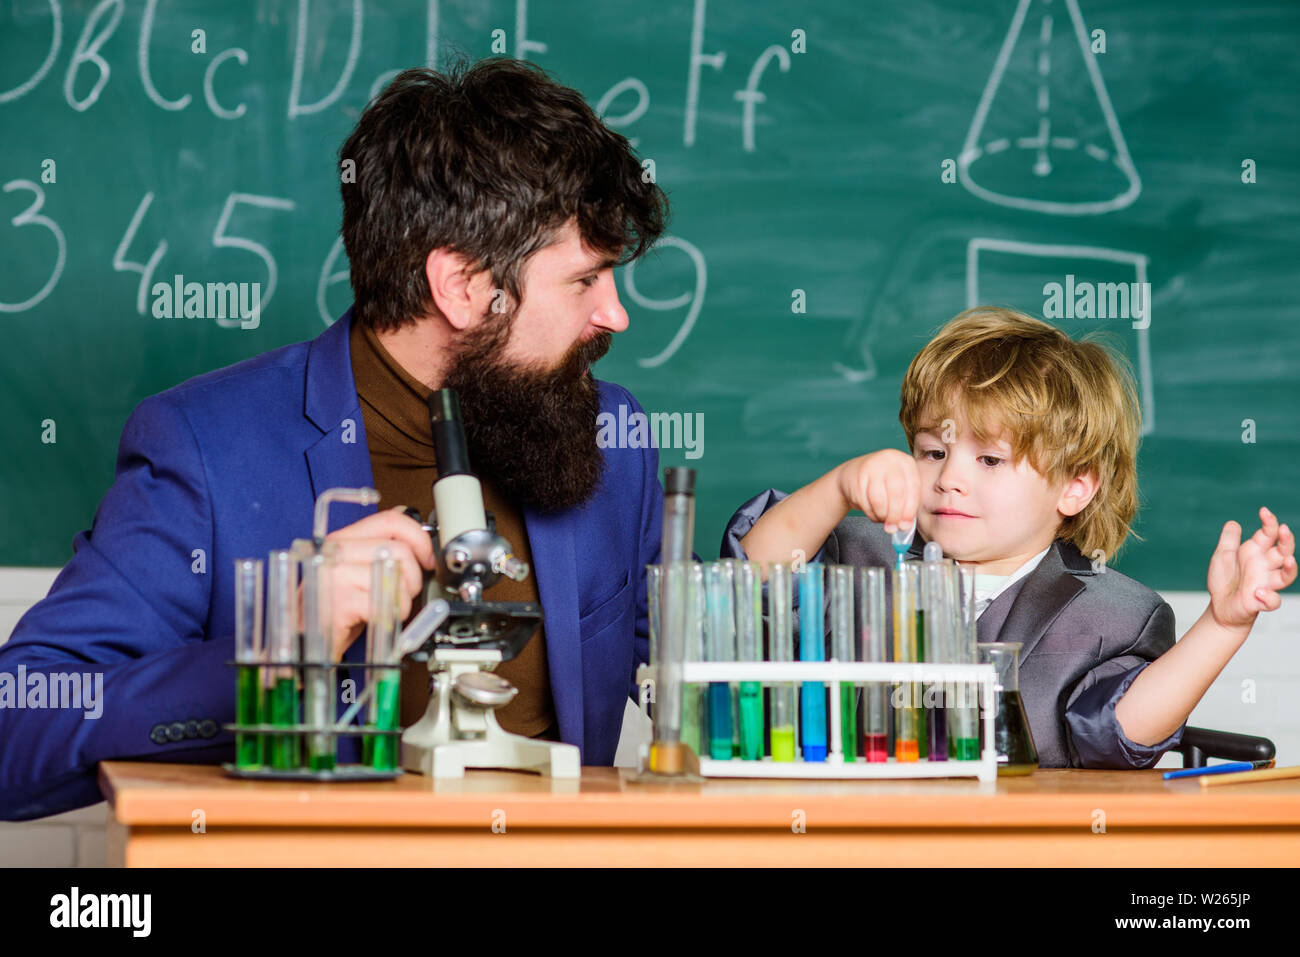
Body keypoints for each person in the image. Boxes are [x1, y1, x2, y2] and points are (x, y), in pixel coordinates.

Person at [0, 58, 669, 819]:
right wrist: (276, 651)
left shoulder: (611, 438)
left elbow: (692, 673)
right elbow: (16, 729)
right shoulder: (205, 449)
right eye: (586, 280)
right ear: (461, 286)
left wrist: (811, 525)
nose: (615, 315)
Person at [723, 307, 1296, 768]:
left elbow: (1116, 729)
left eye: (991, 459)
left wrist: (1223, 626)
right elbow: (746, 584)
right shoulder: (858, 554)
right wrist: (838, 488)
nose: (949, 479)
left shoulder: (1113, 616)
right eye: (933, 452)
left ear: (1074, 488)